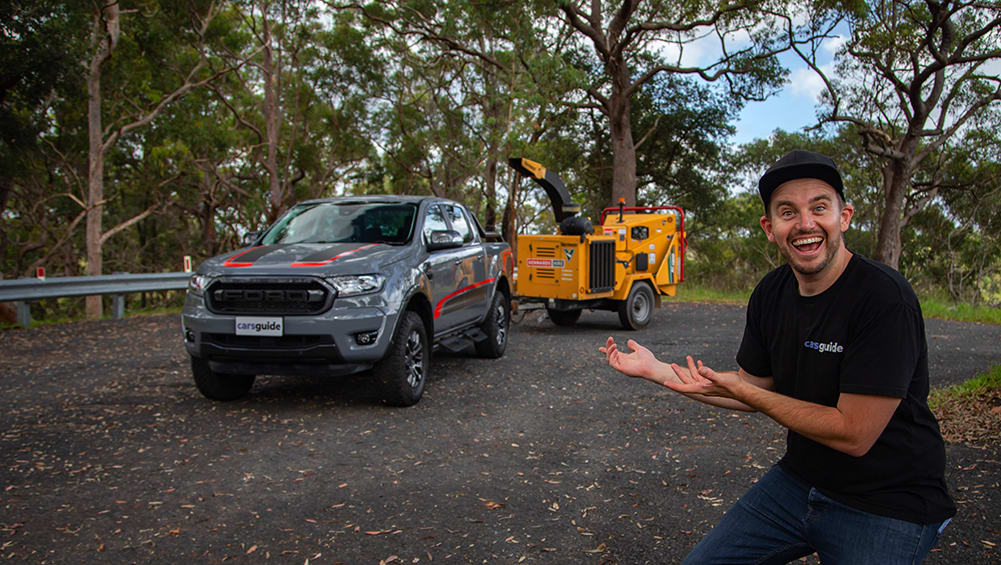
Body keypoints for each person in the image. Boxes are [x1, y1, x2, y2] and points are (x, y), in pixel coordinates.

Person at [599, 149, 956, 564]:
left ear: (844, 216)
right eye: (788, 212)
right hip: (800, 481)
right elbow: (750, 388)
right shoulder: (771, 293)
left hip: (889, 501)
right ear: (770, 228)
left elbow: (854, 434)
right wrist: (656, 370)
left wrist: (751, 394)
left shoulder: (883, 299)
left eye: (819, 207)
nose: (805, 223)